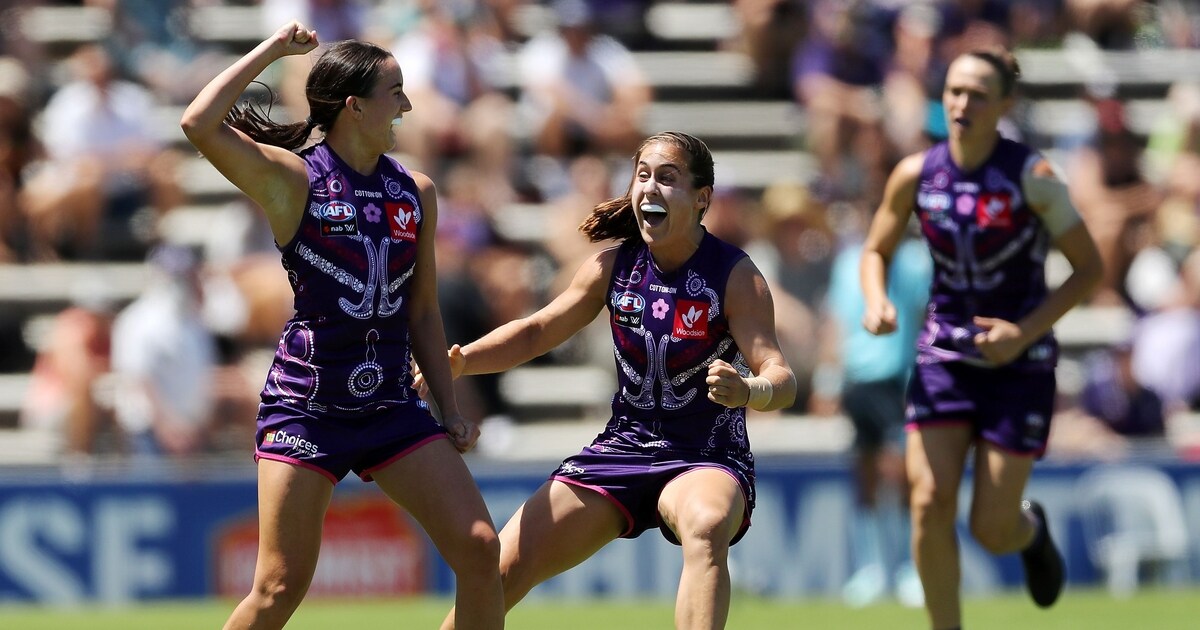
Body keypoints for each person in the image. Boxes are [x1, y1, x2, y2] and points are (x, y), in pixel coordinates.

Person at [179, 22, 503, 629]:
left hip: (390, 407)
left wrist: (449, 407)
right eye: (395, 92)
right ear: (354, 106)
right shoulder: (294, 180)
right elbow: (198, 123)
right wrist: (274, 51)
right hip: (307, 407)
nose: (408, 105)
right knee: (278, 588)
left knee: (482, 549)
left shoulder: (416, 192)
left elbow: (424, 309)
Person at [432, 131, 797, 629]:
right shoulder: (613, 265)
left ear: (702, 199)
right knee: (498, 569)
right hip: (622, 450)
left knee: (707, 525)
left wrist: (750, 390)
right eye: (642, 175)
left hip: (705, 455)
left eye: (668, 178)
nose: (649, 187)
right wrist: (461, 361)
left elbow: (782, 375)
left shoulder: (735, 276)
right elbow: (537, 331)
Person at [859, 47, 1103, 630]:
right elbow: (875, 249)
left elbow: (1090, 269)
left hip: (1019, 366)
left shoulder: (1033, 177)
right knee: (926, 502)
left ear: (1004, 105)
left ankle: (1030, 530)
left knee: (992, 530)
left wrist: (1024, 334)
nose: (963, 103)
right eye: (954, 91)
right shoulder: (916, 173)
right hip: (944, 356)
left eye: (978, 94)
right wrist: (877, 300)